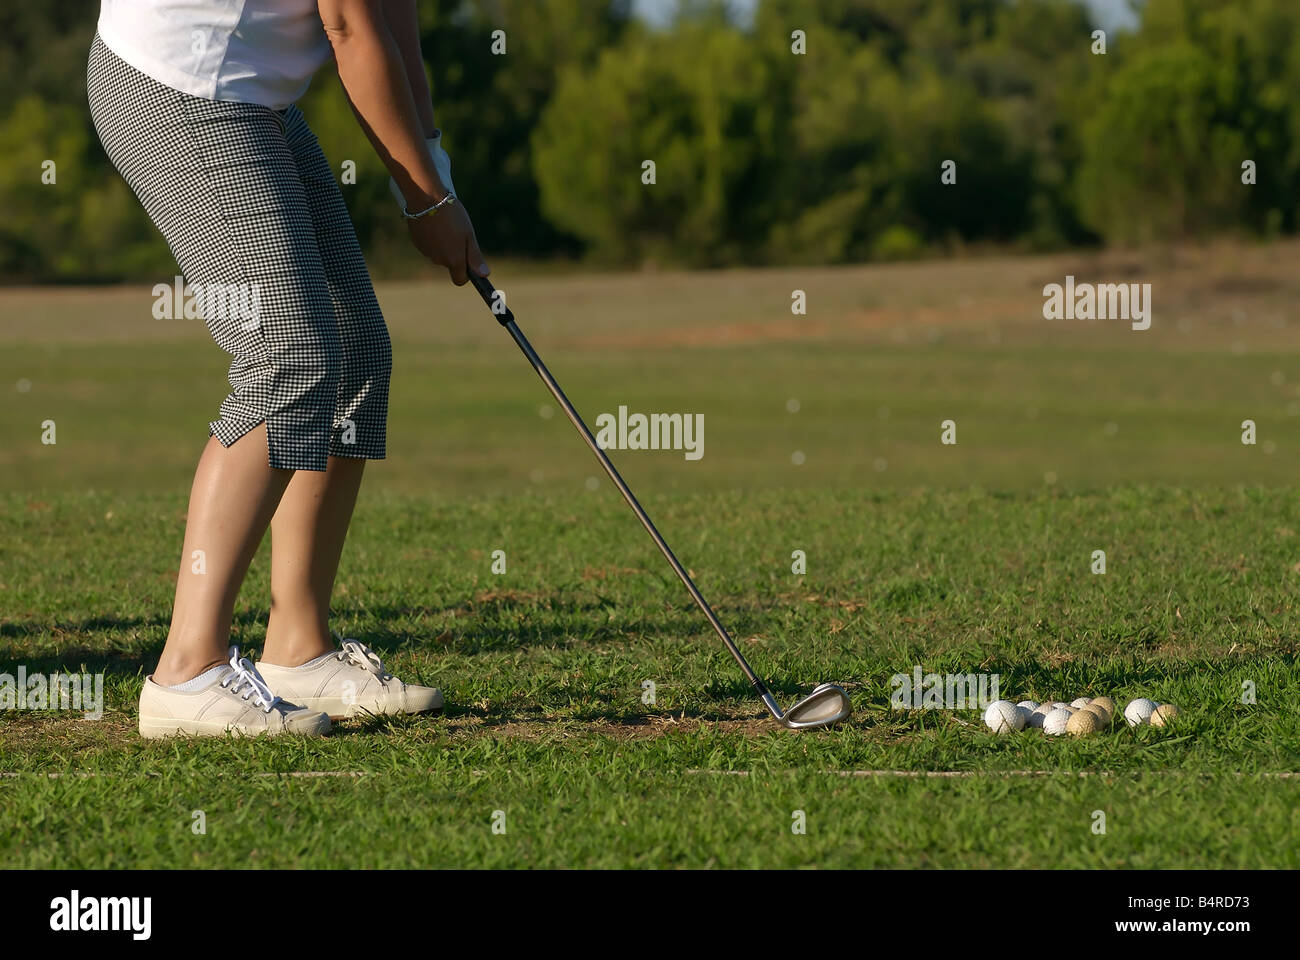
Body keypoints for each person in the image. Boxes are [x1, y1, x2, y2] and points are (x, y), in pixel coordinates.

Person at [86, 0, 485, 737]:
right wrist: (424, 204)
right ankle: (186, 672)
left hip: (253, 97)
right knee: (289, 355)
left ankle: (298, 649)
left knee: (354, 346)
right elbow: (350, 30)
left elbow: (392, 19)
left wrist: (435, 173)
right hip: (179, 84)